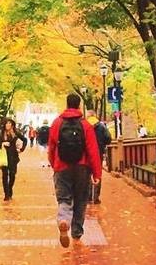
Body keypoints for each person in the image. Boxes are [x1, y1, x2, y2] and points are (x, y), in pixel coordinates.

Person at [48, 93, 101, 246]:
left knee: (64, 199)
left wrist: (54, 164)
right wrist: (96, 173)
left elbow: (51, 147)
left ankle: (63, 219)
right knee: (81, 199)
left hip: (61, 166)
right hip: (82, 167)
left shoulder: (57, 123)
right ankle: (76, 232)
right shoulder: (85, 125)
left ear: (67, 103)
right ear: (79, 105)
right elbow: (92, 150)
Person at [0, 117, 26, 202]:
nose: (8, 125)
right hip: (4, 156)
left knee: (12, 175)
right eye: (6, 123)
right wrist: (2, 143)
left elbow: (25, 140)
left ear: (12, 125)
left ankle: (10, 189)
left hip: (13, 157)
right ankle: (6, 194)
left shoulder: (16, 133)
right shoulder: (0, 133)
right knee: (4, 176)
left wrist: (21, 149)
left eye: (10, 123)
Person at [87, 114, 112, 204]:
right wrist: (102, 144)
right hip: (98, 153)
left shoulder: (85, 125)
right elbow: (109, 138)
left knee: (88, 174)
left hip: (87, 154)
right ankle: (96, 198)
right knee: (97, 174)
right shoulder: (101, 126)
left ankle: (88, 197)